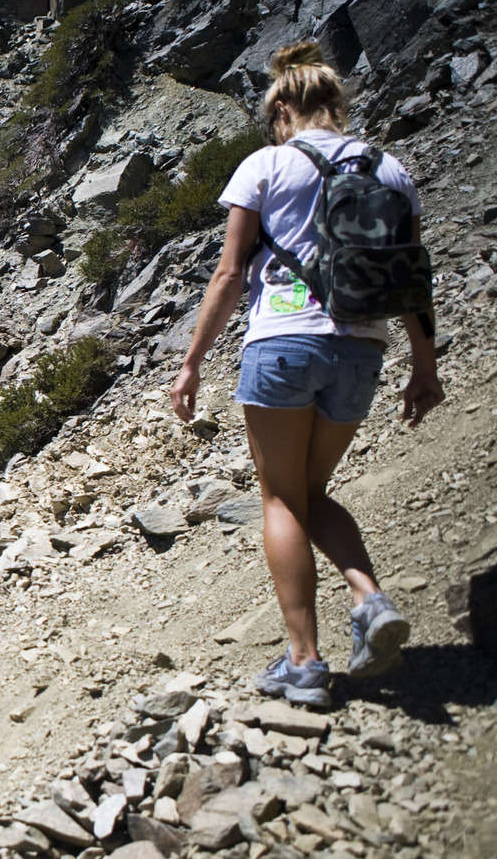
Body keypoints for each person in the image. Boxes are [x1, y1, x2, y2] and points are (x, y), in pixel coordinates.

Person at [169, 41, 445, 708]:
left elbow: (231, 274)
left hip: (282, 345)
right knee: (312, 491)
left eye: (273, 117)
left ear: (285, 106)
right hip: (362, 350)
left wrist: (193, 359)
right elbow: (411, 275)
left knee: (282, 498)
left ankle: (304, 661)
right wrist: (424, 364)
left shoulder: (265, 166)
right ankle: (369, 599)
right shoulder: (393, 170)